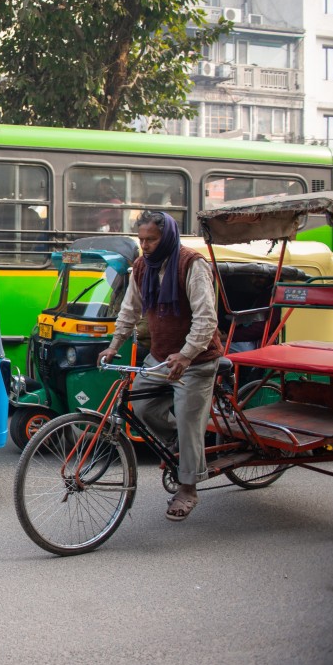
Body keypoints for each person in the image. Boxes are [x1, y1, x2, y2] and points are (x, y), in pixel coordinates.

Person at [98, 211, 222, 522]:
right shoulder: (142, 267)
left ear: (165, 237)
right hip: (161, 357)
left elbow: (207, 319)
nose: (145, 245)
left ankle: (189, 487)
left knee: (189, 419)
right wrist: (114, 345)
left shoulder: (191, 264)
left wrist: (187, 355)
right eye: (141, 240)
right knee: (141, 408)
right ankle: (177, 444)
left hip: (196, 361)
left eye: (151, 239)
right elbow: (130, 310)